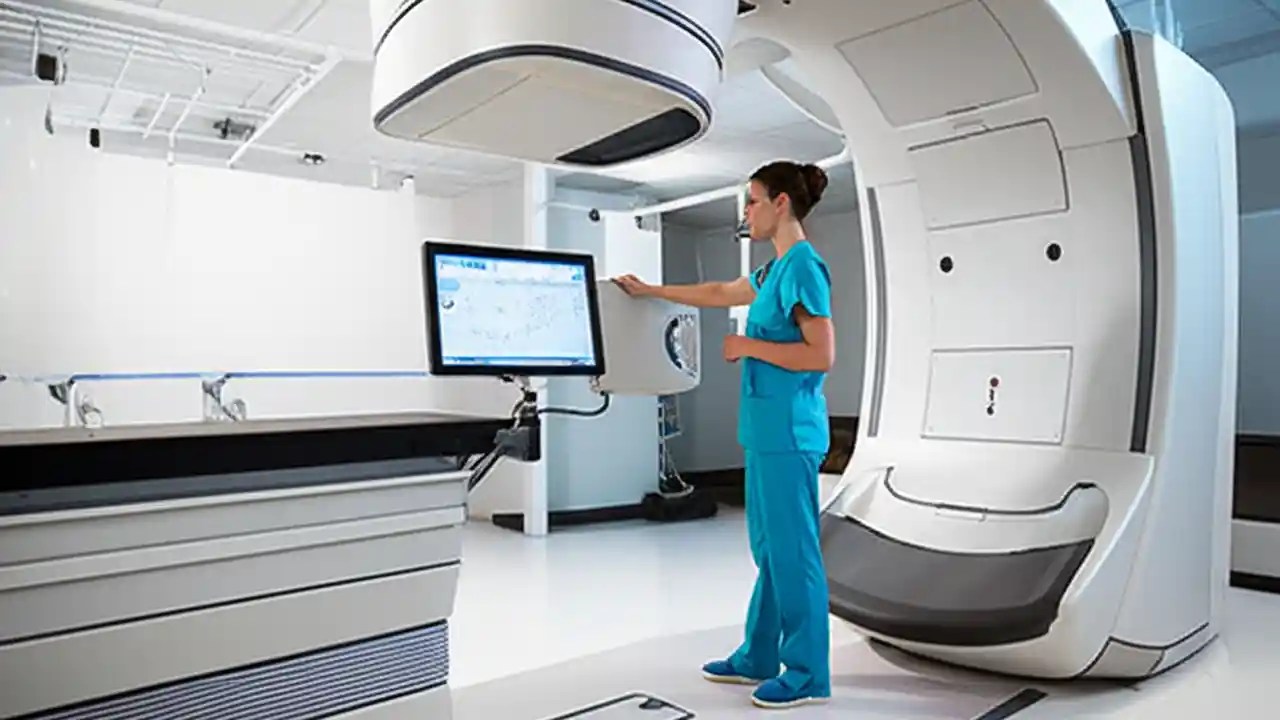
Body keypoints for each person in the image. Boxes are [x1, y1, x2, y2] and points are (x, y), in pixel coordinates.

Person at [613, 160, 835, 709]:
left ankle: (808, 672)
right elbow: (719, 290)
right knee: (769, 550)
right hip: (765, 433)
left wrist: (748, 347)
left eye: (753, 201)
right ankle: (759, 654)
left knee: (794, 553)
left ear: (781, 203)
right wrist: (650, 290)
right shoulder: (774, 271)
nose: (747, 212)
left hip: (790, 433)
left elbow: (822, 353)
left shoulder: (805, 267)